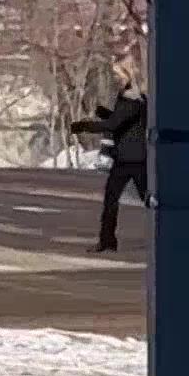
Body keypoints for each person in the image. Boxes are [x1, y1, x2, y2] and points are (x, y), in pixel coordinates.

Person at [71, 60, 147, 253]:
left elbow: (114, 124)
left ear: (127, 75)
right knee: (112, 200)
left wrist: (82, 126)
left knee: (147, 199)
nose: (114, 78)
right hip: (126, 158)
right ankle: (107, 241)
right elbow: (119, 120)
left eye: (117, 75)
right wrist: (101, 112)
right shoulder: (130, 99)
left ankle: (108, 241)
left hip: (134, 159)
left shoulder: (133, 100)